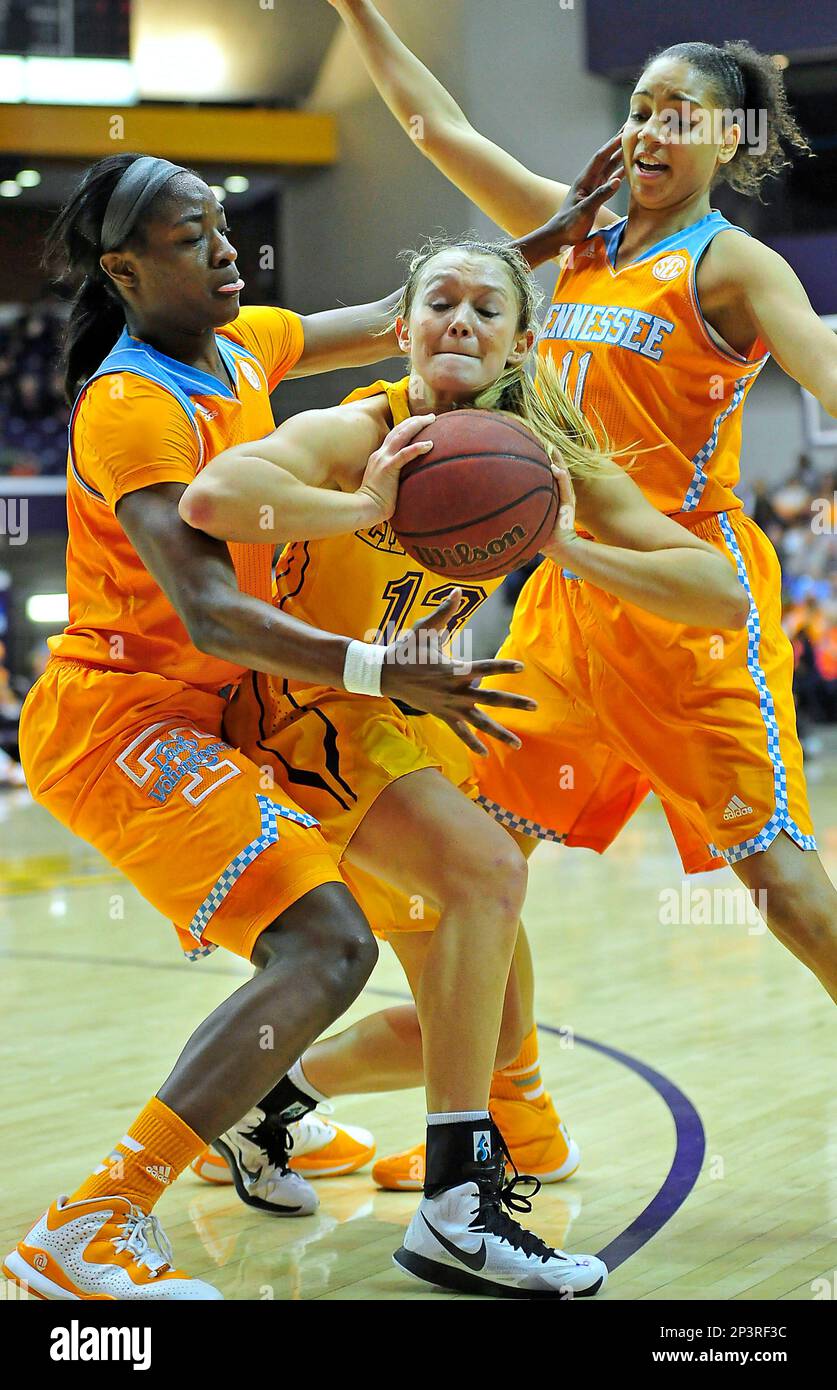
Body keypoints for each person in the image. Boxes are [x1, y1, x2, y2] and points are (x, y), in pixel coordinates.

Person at [1, 153, 535, 1302]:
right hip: (126, 719)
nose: (227, 247)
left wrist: (568, 242)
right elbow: (209, 607)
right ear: (127, 270)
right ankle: (87, 1226)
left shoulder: (247, 347)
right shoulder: (132, 406)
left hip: (236, 715)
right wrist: (378, 663)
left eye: (225, 223)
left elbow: (417, 314)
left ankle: (273, 1120)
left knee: (432, 902)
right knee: (329, 945)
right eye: (192, 238)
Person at [321, 3, 837, 1183]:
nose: (654, 125)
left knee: (787, 890)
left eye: (682, 113)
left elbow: (821, 363)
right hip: (559, 604)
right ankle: (517, 1121)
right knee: (470, 864)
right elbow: (433, 124)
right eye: (643, 104)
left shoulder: (730, 262)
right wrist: (356, 8)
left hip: (680, 588)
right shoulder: (577, 233)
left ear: (730, 140)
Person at [179, 233, 746, 1298]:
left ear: (521, 340)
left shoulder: (534, 455)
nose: (462, 320)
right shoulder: (357, 431)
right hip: (298, 711)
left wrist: (568, 543)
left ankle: (262, 1107)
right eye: (440, 300)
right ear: (404, 326)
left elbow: (718, 591)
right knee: (490, 872)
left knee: (482, 1029)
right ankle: (455, 1205)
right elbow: (215, 502)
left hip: (403, 724)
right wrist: (364, 507)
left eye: (489, 308)